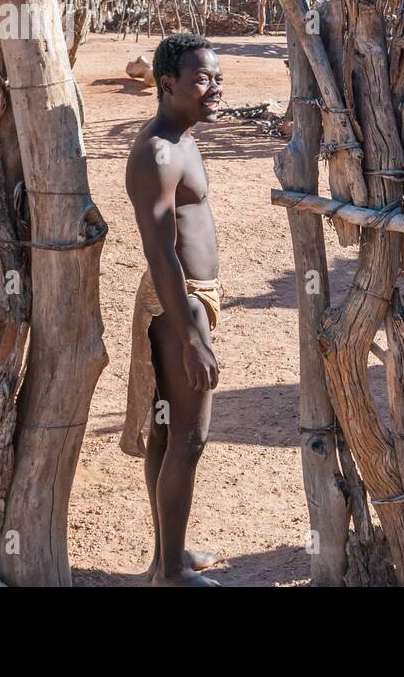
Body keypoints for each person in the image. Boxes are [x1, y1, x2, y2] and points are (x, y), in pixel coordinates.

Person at [123, 32, 225, 586]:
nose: (214, 89)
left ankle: (171, 556)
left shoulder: (184, 138)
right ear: (168, 85)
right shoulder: (158, 152)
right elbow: (159, 251)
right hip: (177, 304)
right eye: (201, 80)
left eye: (217, 79)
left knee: (168, 433)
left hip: (190, 300)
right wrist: (190, 333)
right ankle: (169, 574)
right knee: (189, 434)